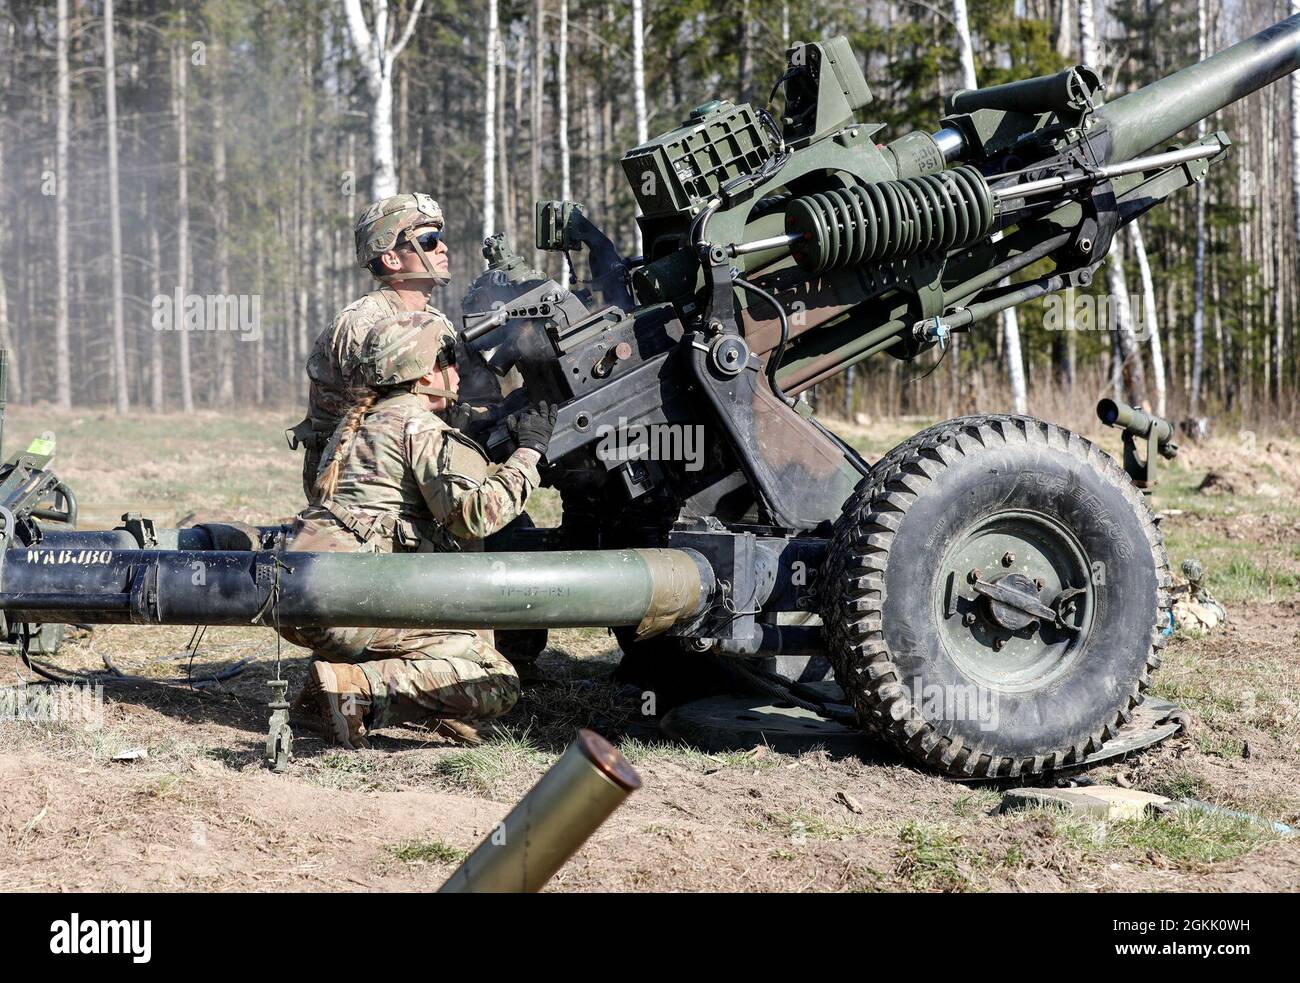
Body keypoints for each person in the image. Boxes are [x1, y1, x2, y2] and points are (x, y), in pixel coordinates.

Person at [282, 312, 556, 748]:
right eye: (450, 361)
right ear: (426, 371)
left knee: (445, 641)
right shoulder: (417, 425)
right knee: (496, 677)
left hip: (306, 598)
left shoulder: (360, 420)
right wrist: (530, 451)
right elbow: (475, 515)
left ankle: (330, 692)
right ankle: (356, 690)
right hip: (350, 603)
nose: (457, 372)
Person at [286, 192, 454, 500]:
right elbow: (385, 418)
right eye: (429, 240)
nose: (442, 247)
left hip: (405, 462)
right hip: (360, 483)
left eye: (439, 238)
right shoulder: (363, 324)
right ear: (391, 258)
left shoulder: (433, 320)